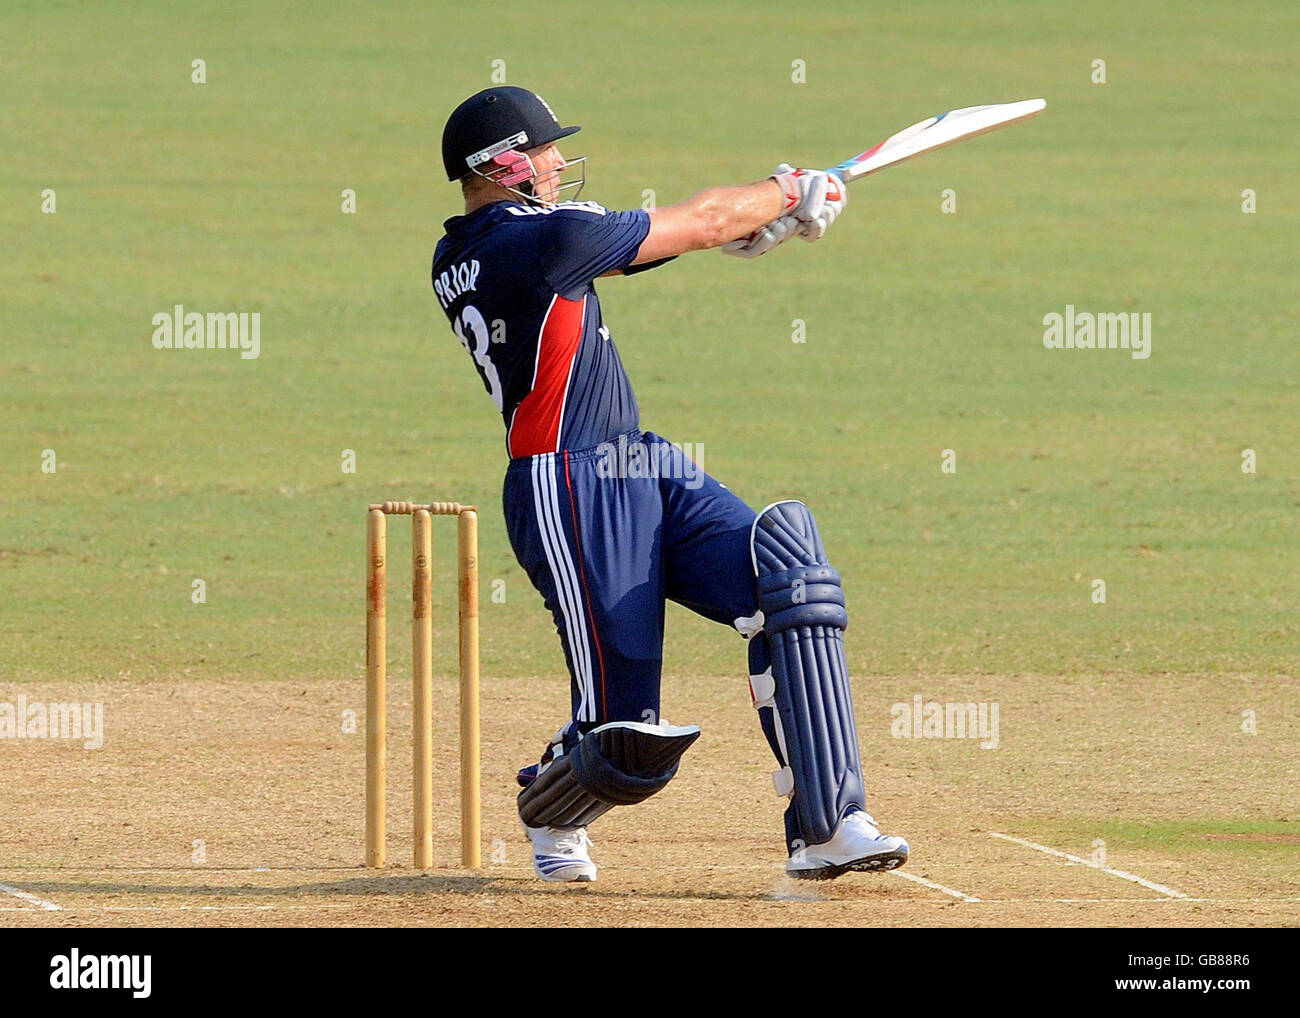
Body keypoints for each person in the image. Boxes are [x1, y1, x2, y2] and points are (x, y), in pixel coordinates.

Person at [432, 86, 908, 883]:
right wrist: (790, 189)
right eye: (544, 149)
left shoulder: (487, 247)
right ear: (502, 163)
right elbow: (700, 220)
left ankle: (829, 822)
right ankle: (548, 810)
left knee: (788, 576)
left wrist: (766, 220)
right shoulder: (535, 245)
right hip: (566, 486)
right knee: (627, 745)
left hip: (637, 460)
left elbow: (678, 235)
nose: (556, 162)